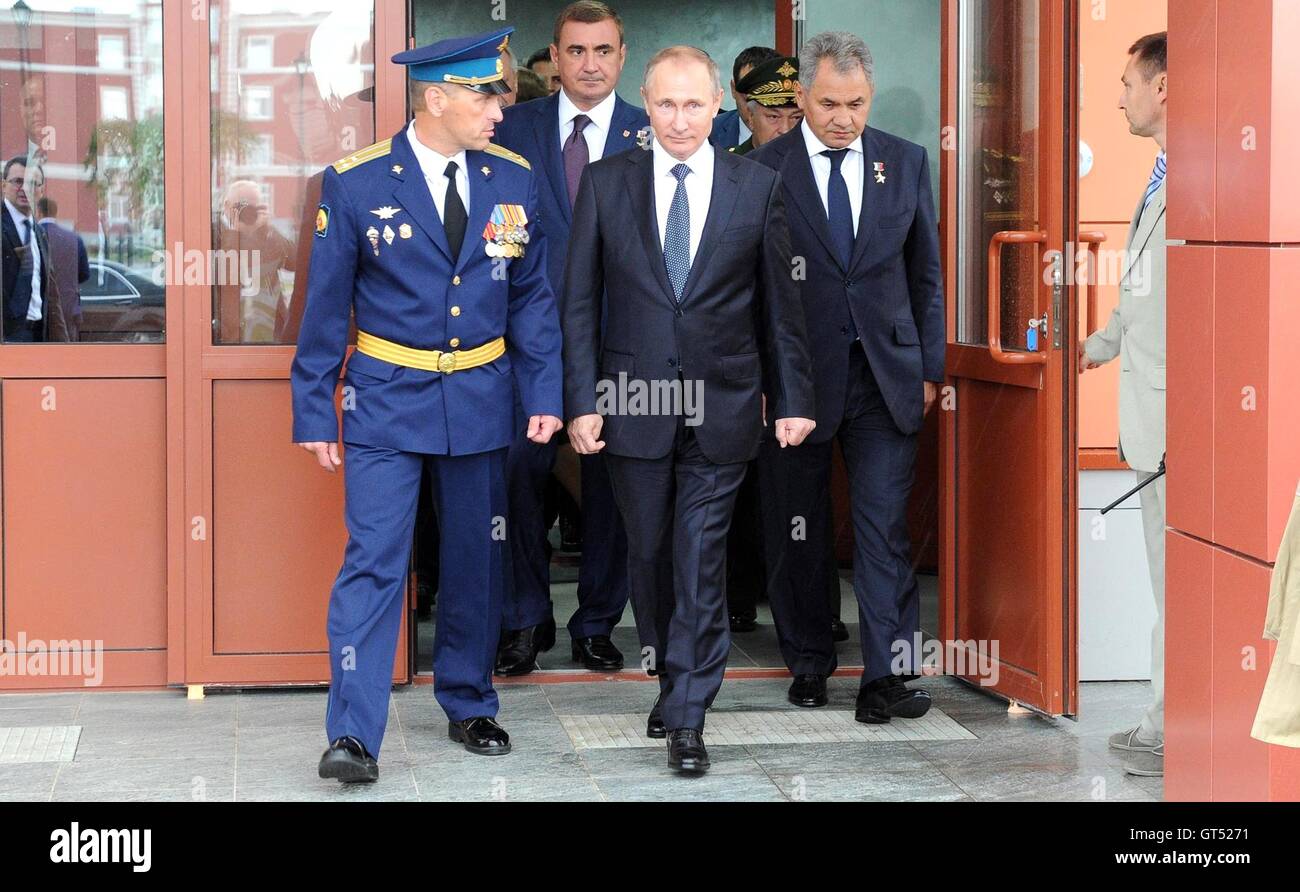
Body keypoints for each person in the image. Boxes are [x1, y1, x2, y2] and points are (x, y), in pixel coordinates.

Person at [292, 26, 563, 783]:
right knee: (375, 562)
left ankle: (470, 701)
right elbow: (324, 308)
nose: (500, 109)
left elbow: (533, 297)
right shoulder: (357, 182)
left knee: (477, 558)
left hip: (481, 397)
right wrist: (316, 408)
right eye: (485, 94)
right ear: (435, 98)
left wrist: (544, 390)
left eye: (501, 92)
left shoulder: (514, 178)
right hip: (384, 400)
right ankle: (352, 733)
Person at [563, 45, 815, 774]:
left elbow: (780, 307)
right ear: (647, 104)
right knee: (651, 556)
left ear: (717, 106)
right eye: (665, 104)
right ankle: (673, 679)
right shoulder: (608, 185)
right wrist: (581, 400)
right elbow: (578, 302)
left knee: (701, 557)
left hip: (723, 406)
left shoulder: (755, 185)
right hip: (632, 401)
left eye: (693, 104)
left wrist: (793, 397)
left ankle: (689, 714)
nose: (679, 119)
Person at [749, 31, 944, 719]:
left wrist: (929, 366)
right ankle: (808, 662)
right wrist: (762, 378)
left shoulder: (906, 161)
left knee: (883, 529)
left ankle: (886, 678)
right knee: (798, 526)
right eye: (828, 102)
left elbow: (926, 271)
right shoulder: (765, 168)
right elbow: (750, 285)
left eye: (856, 104)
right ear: (801, 97)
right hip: (796, 380)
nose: (842, 118)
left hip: (885, 376)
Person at [492, 0, 647, 677]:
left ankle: (597, 622)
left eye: (603, 51)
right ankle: (525, 620)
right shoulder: (511, 126)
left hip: (623, 343)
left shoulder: (652, 133)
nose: (589, 63)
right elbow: (495, 235)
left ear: (622, 56)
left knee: (613, 484)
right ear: (554, 58)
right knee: (517, 478)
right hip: (526, 341)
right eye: (576, 51)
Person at [1081, 31, 1167, 779]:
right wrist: (1100, 342)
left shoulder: (1201, 172)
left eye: (1128, 82)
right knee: (1168, 581)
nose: (1119, 96)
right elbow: (1148, 292)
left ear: (1164, 87)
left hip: (1176, 428)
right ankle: (1167, 721)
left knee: (1177, 583)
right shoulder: (1164, 171)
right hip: (1156, 418)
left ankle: (1172, 729)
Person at [2, 156, 67, 343]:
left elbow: (51, 294)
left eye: (32, 183)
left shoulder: (39, 232)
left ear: (41, 190)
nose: (24, 189)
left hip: (38, 334)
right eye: (17, 182)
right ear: (3, 185)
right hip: (7, 338)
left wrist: (63, 345)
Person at [36, 196, 90, 344]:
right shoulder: (74, 239)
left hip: (39, 309)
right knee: (67, 356)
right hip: (68, 307)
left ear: (38, 212)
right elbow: (85, 274)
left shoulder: (33, 236)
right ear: (55, 213)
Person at [707, 46, 780, 148]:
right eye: (748, 96)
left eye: (765, 98)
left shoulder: (795, 129)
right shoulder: (709, 132)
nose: (755, 106)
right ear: (733, 89)